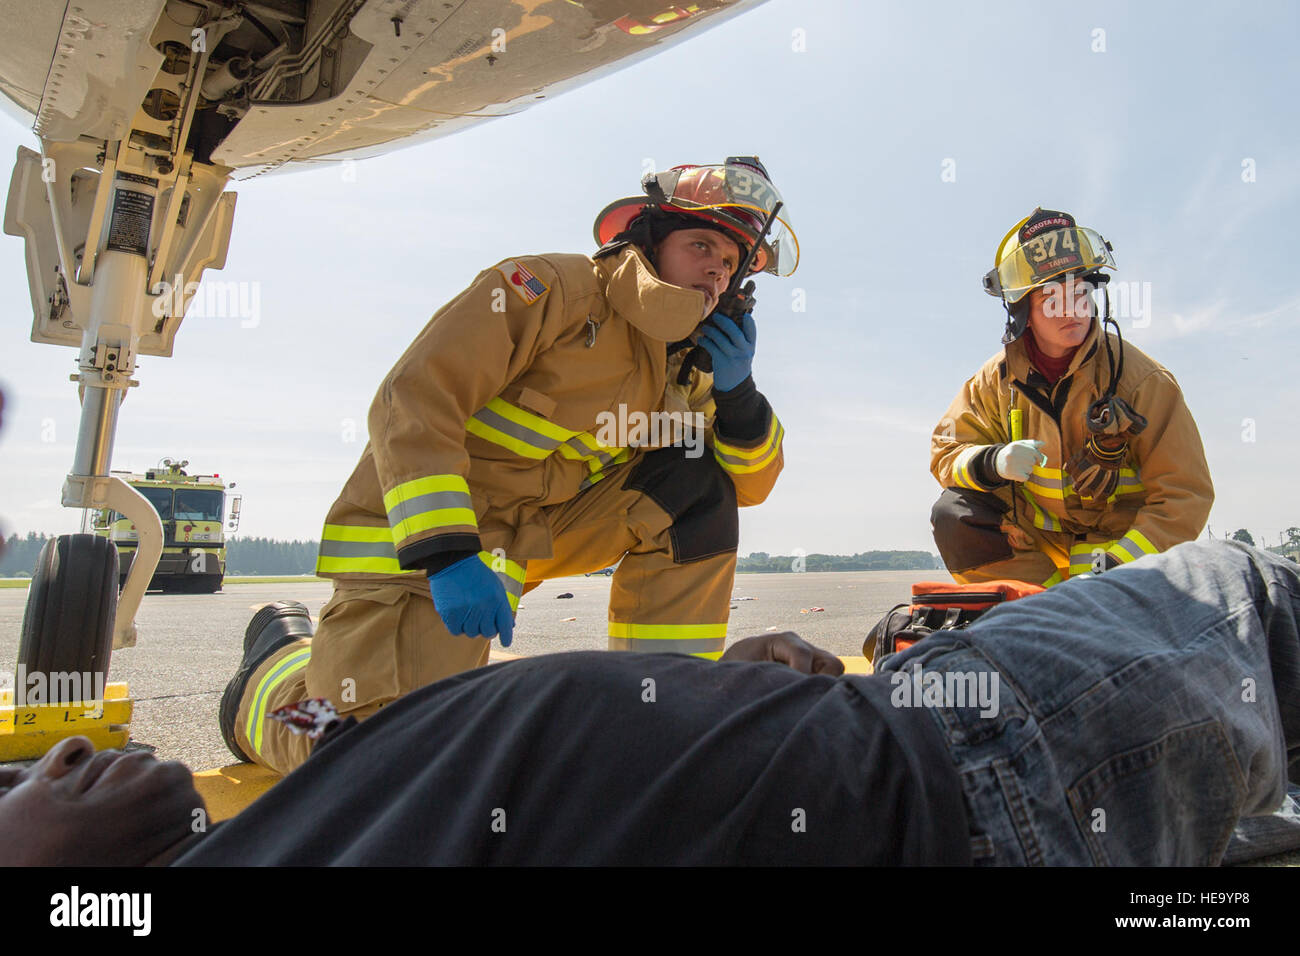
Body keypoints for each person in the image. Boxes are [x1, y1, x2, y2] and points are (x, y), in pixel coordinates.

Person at [4, 540, 1300, 866]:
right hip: (962, 775)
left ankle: (273, 657)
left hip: (913, 741)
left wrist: (720, 703)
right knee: (1263, 591)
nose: (52, 756)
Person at [219, 157, 800, 774]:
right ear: (651, 240)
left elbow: (748, 485)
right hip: (431, 544)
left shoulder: (688, 365)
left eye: (732, 262)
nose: (716, 267)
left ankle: (655, 723)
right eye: (701, 243)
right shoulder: (547, 289)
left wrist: (739, 399)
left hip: (532, 536)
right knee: (371, 760)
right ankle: (269, 680)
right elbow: (414, 396)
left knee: (696, 485)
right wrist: (445, 552)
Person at [929, 208, 1213, 586]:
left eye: (1080, 293)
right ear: (1022, 310)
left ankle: (1086, 605)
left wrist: (1113, 568)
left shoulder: (1144, 381)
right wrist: (992, 461)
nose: (1072, 309)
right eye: (1052, 297)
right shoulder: (992, 383)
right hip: (1037, 550)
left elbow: (1183, 495)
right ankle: (1039, 610)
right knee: (953, 514)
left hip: (1122, 553)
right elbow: (947, 451)